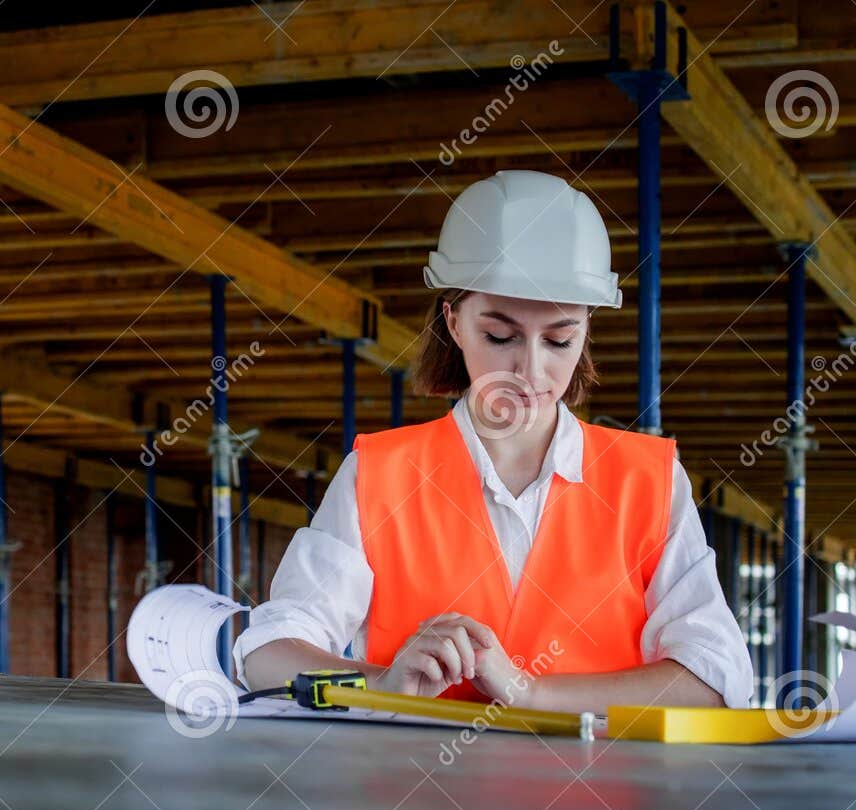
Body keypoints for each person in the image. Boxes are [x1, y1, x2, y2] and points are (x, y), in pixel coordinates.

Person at [234, 170, 753, 713]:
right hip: (408, 770)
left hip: (599, 772)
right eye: (500, 335)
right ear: (454, 322)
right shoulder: (378, 475)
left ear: (587, 329)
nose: (529, 370)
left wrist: (530, 692)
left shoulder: (648, 481)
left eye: (560, 339)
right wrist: (381, 684)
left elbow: (716, 678)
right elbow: (268, 653)